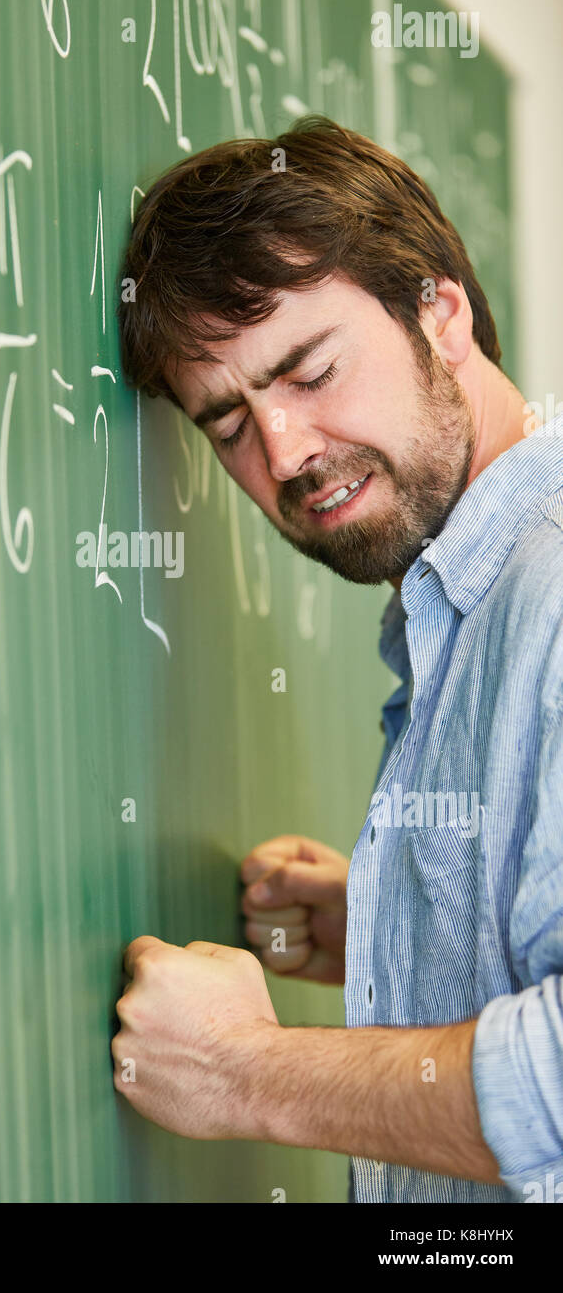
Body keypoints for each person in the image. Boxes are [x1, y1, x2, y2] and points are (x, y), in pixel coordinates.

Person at [111, 116, 563, 1203]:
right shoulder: (458, 600)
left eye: (308, 370)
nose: (283, 452)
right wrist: (405, 927)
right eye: (226, 424)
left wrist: (243, 1072)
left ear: (438, 312)